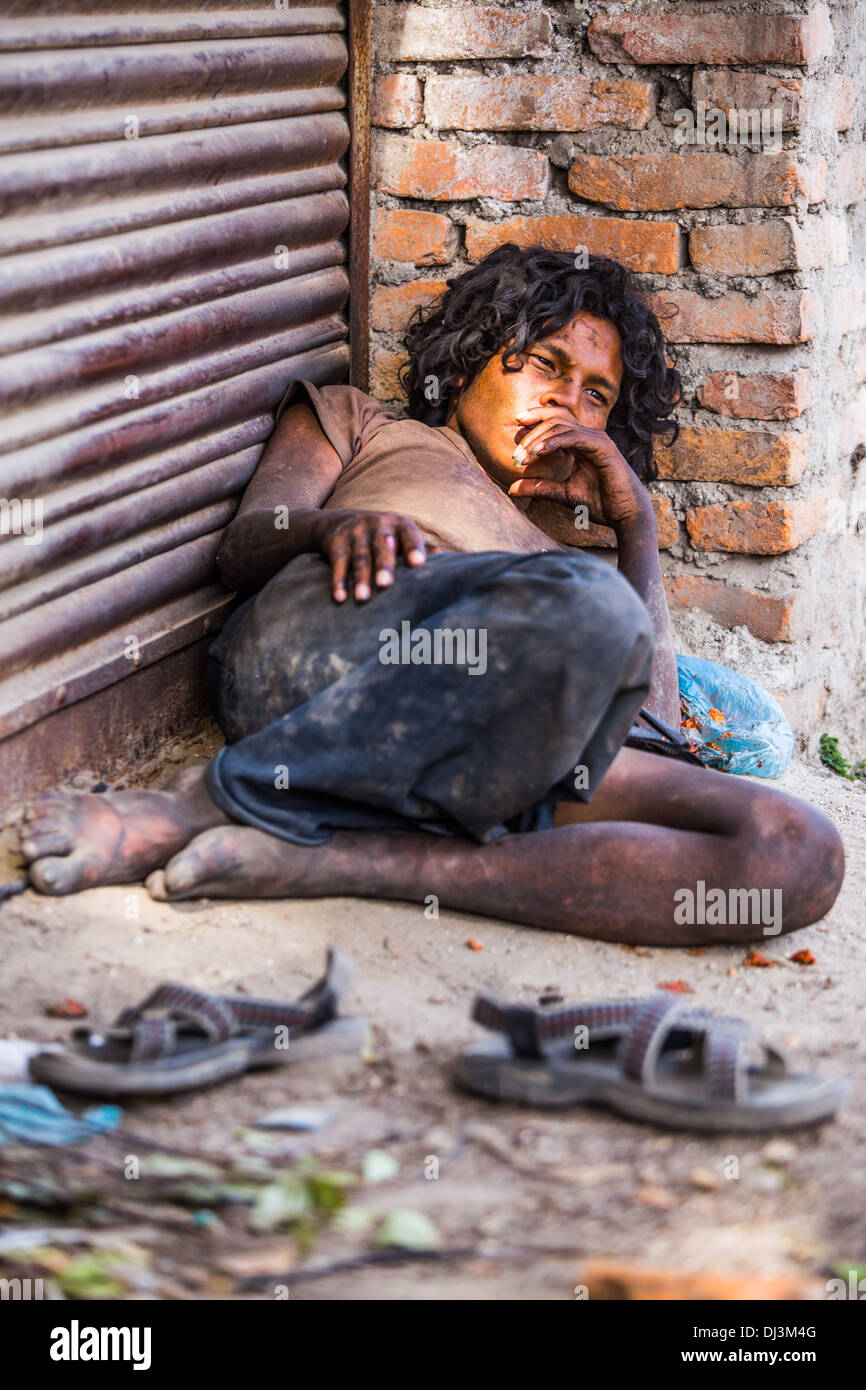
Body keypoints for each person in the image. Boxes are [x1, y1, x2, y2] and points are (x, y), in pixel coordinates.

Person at [18, 248, 844, 944]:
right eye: (548, 365)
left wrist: (636, 529)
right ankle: (200, 805)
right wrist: (324, 528)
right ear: (473, 357)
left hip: (500, 750)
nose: (569, 400)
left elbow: (646, 733)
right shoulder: (369, 425)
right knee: (589, 603)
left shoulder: (559, 568)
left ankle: (333, 861)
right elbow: (242, 546)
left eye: (596, 393)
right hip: (335, 659)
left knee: (796, 852)